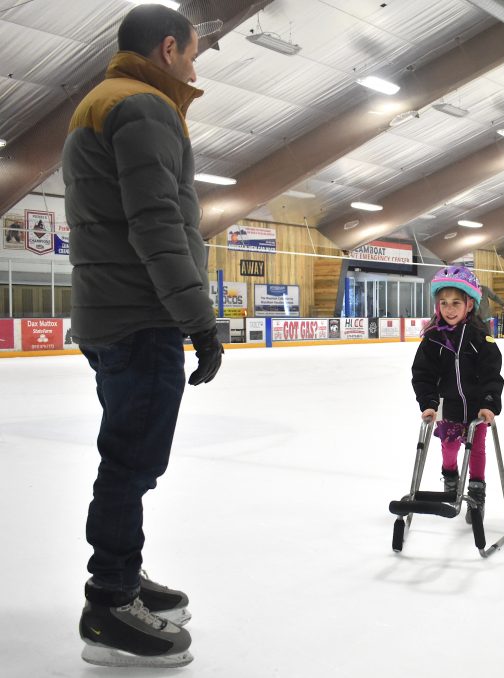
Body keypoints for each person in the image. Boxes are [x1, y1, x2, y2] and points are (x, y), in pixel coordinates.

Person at [62, 4, 223, 669]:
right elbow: (157, 225)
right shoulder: (143, 107)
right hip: (140, 317)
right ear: (168, 49)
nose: (195, 69)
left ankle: (123, 573)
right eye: (193, 54)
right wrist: (199, 321)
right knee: (130, 464)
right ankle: (110, 603)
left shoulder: (103, 102)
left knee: (128, 459)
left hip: (113, 314)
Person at [412, 266, 504, 521]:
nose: (449, 309)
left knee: (476, 450)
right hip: (447, 406)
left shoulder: (480, 339)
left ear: (469, 305)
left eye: (455, 303)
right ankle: (451, 480)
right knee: (449, 447)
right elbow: (423, 374)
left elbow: (491, 375)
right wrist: (429, 403)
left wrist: (489, 403)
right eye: (444, 303)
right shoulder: (433, 340)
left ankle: (476, 494)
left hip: (476, 408)